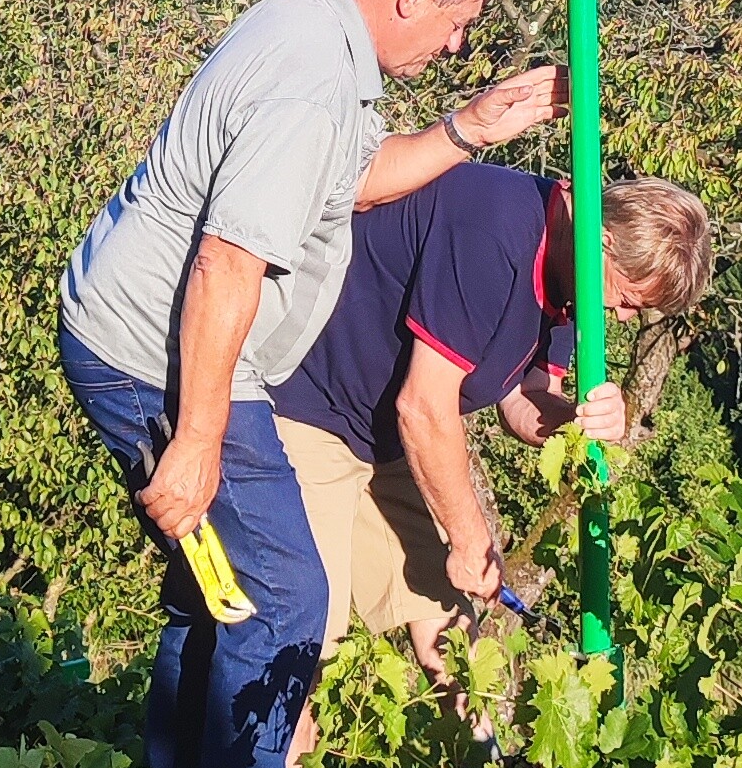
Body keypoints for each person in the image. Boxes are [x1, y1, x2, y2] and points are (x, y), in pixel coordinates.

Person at [58, 0, 556, 768]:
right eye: (458, 22)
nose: (460, 43)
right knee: (285, 600)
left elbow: (358, 180)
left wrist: (468, 127)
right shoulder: (313, 85)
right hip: (169, 361)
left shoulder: (311, 29)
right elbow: (229, 260)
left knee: (224, 594)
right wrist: (198, 439)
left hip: (153, 339)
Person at [272, 163, 713, 704]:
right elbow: (425, 408)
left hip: (380, 434)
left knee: (449, 619)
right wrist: (469, 538)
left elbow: (523, 403)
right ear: (602, 239)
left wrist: (579, 416)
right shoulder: (494, 226)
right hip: (304, 404)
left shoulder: (573, 278)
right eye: (625, 300)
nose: (620, 319)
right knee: (304, 641)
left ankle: (483, 765)